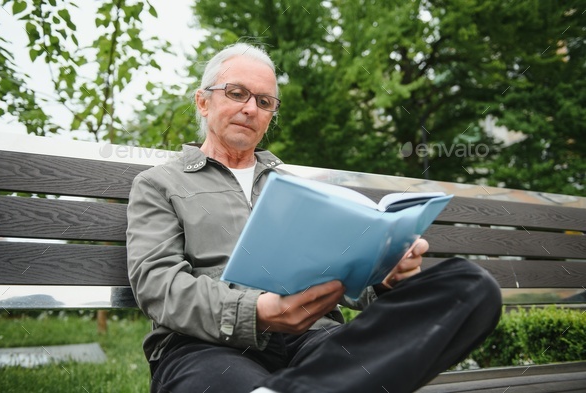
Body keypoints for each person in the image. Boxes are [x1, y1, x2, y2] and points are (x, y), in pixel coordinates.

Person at [126, 43, 502, 393]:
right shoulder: (160, 183)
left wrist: (386, 275)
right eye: (236, 93)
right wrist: (257, 313)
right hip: (208, 347)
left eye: (264, 100)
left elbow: (345, 276)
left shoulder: (299, 191)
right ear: (203, 102)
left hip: (315, 341)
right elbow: (158, 285)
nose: (250, 108)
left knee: (471, 286)